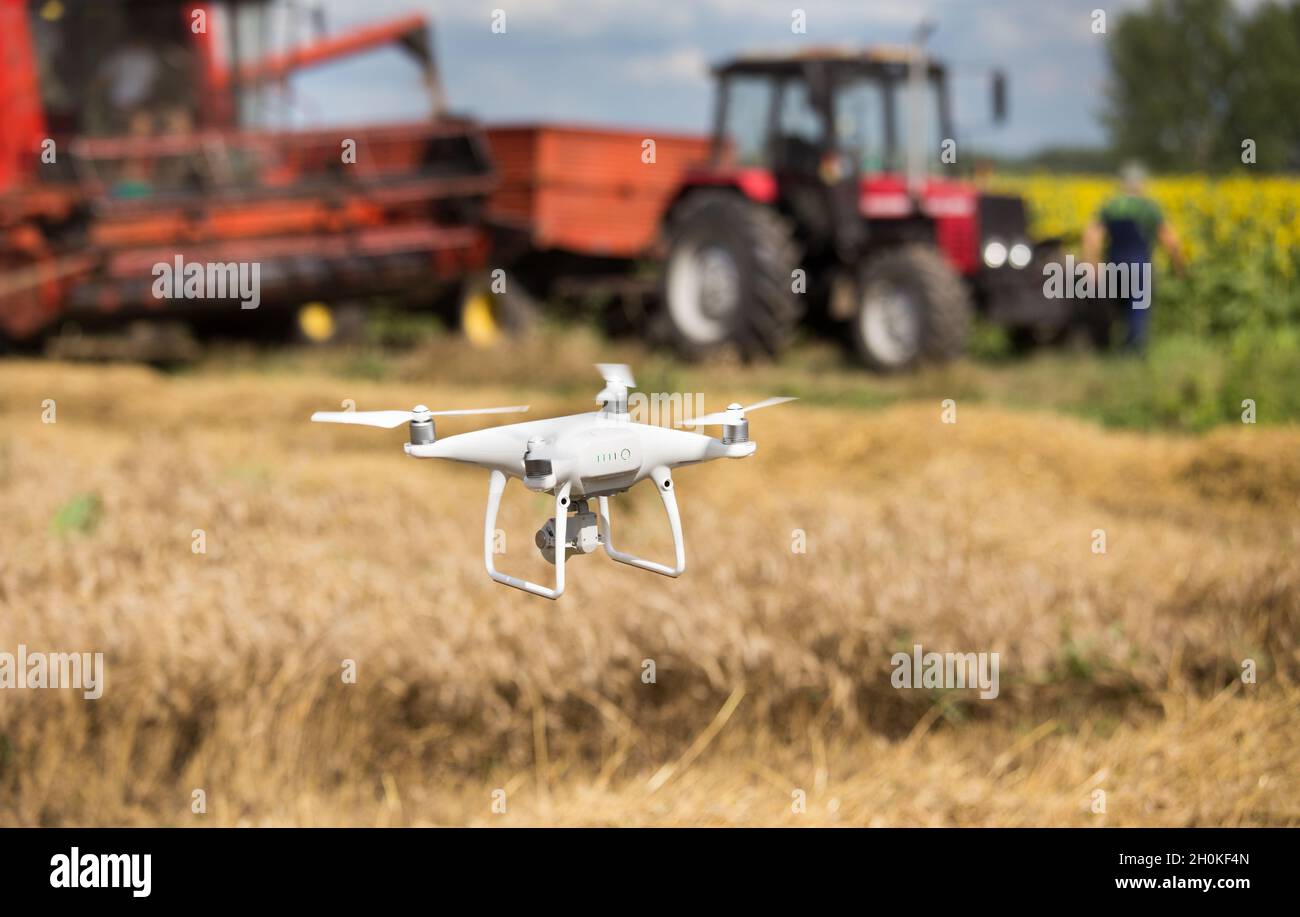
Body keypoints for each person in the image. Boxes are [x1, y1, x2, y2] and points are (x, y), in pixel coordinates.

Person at [1082, 162, 1186, 352]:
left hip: (1114, 265)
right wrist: (1179, 264)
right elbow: (1170, 239)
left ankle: (1113, 347)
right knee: (1138, 309)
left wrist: (1093, 265)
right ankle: (1134, 352)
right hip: (1139, 265)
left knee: (1116, 308)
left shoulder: (1111, 205)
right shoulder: (1149, 207)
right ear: (1141, 183)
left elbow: (1092, 236)